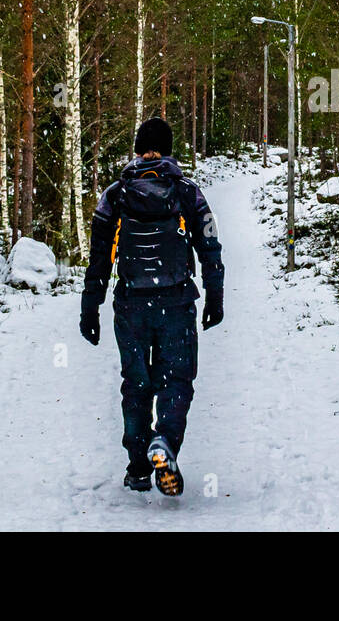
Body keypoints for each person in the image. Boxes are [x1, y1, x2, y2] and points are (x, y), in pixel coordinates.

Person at [79, 117, 224, 496]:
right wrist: (215, 295)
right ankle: (165, 443)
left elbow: (98, 257)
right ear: (168, 148)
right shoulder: (186, 191)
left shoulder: (116, 194)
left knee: (137, 384)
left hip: (130, 304)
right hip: (176, 301)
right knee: (177, 380)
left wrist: (90, 307)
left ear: (138, 149)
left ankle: (139, 466)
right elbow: (209, 245)